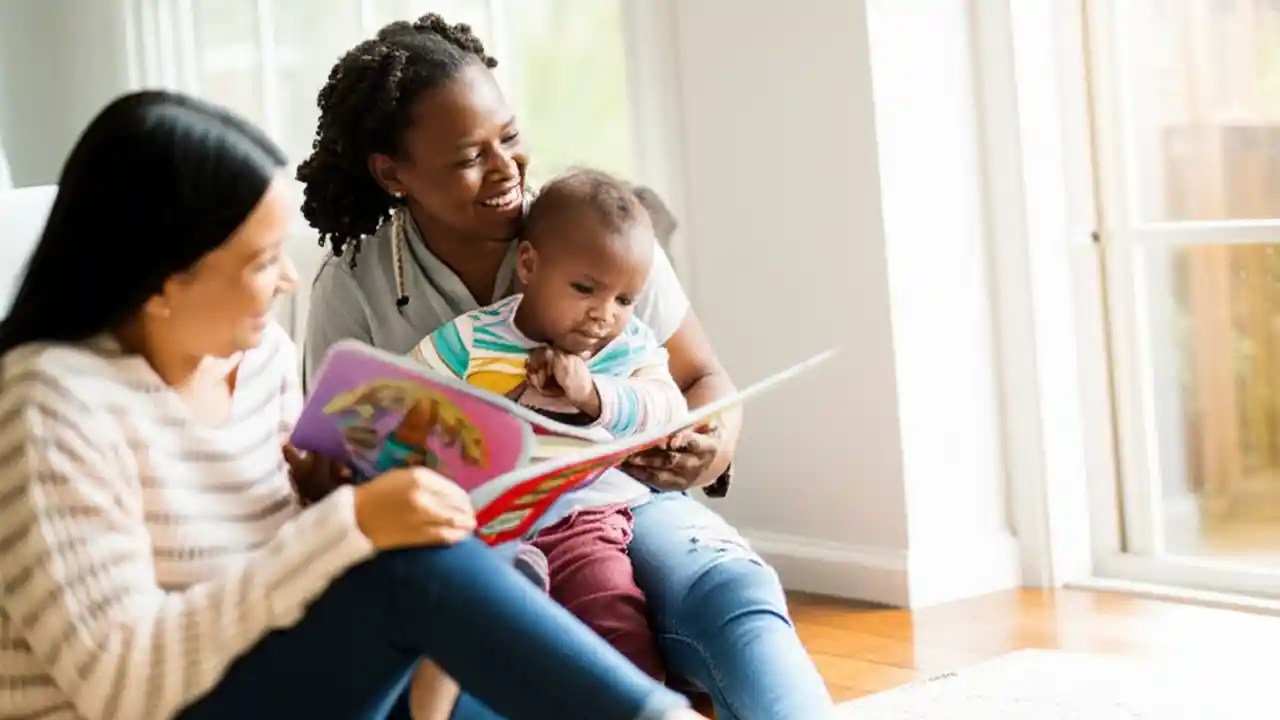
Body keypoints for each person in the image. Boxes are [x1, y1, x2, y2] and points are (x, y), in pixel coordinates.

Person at [0, 90, 705, 720]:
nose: (287, 282)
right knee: (409, 572)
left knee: (463, 584)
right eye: (260, 261)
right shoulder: (49, 402)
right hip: (158, 702)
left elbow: (277, 574)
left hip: (272, 670)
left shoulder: (260, 357)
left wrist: (328, 495)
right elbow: (122, 688)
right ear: (159, 281)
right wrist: (345, 526)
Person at [297, 13, 834, 720]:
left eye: (510, 137)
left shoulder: (587, 226)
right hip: (480, 537)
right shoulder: (353, 285)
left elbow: (703, 378)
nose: (506, 170)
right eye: (468, 157)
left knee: (730, 591)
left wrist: (713, 445)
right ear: (393, 173)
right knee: (493, 652)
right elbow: (333, 463)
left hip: (627, 499)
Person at [411, 168, 687, 681]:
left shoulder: (626, 349)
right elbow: (405, 398)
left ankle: (642, 704)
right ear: (530, 264)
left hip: (579, 519)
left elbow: (667, 408)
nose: (604, 314)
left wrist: (590, 393)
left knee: (612, 612)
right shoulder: (470, 340)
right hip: (483, 526)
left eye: (624, 300)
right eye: (585, 288)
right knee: (479, 634)